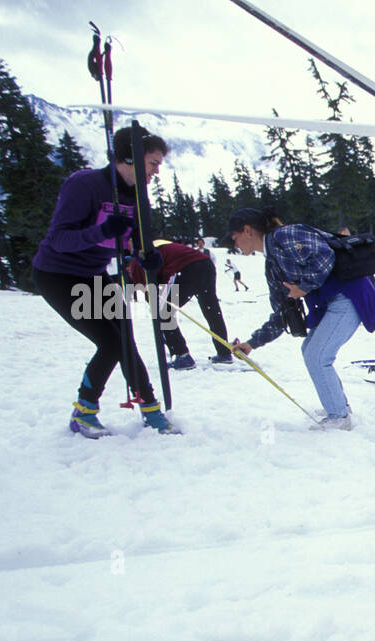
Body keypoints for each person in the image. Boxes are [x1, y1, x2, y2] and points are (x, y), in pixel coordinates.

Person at [30, 125, 177, 436]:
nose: (156, 171)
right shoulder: (85, 185)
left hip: (94, 274)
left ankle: (150, 409)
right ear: (128, 158)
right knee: (110, 343)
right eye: (152, 162)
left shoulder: (138, 196)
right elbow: (58, 238)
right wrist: (102, 231)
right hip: (58, 274)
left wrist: (146, 256)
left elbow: (137, 241)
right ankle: (84, 412)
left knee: (125, 340)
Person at [226, 208, 375, 430]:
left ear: (247, 230)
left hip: (350, 295)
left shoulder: (285, 236)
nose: (234, 245)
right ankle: (339, 406)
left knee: (317, 355)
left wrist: (303, 287)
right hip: (332, 303)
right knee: (310, 349)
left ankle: (339, 417)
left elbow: (324, 255)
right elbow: (282, 311)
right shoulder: (272, 264)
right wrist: (252, 344)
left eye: (234, 238)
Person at [126, 239, 234, 367]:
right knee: (211, 310)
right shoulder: (153, 246)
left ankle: (182, 355)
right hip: (205, 263)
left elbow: (149, 294)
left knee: (163, 313)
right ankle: (224, 352)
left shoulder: (136, 265)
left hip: (187, 268)